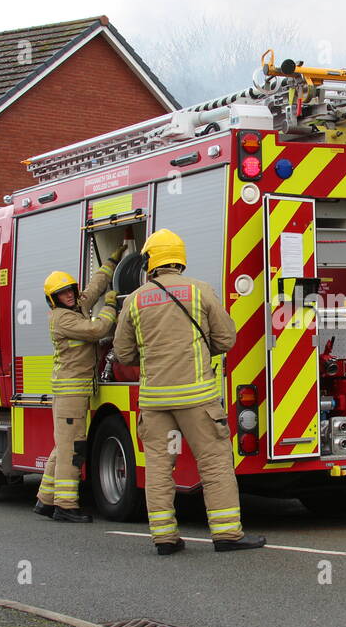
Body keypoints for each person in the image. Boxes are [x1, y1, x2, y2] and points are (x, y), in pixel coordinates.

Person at [113, 229, 265, 555]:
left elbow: (123, 354)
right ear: (179, 258)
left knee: (157, 468)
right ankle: (226, 534)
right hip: (197, 399)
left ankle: (164, 539)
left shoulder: (136, 299)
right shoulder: (200, 291)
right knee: (214, 463)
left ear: (150, 260)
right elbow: (226, 339)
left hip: (154, 402)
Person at [35, 243, 126, 522]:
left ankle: (45, 500)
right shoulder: (64, 319)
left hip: (73, 394)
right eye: (62, 294)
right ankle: (66, 506)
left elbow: (94, 287)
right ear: (54, 300)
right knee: (73, 449)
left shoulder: (74, 307)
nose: (69, 296)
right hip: (71, 394)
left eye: (70, 291)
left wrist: (113, 258)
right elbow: (98, 329)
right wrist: (111, 306)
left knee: (62, 447)